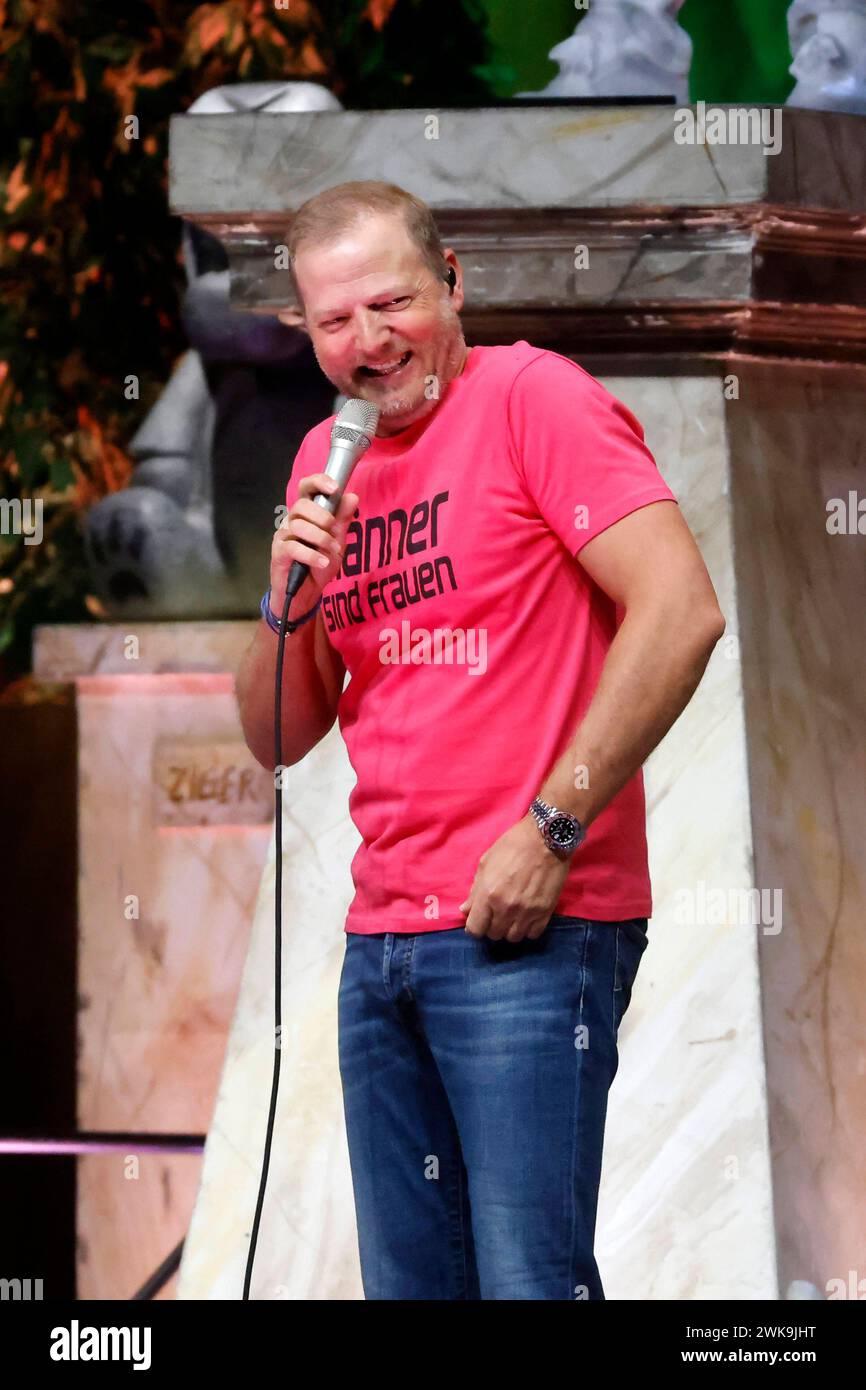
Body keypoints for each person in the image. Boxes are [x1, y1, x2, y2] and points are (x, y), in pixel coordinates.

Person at [235, 179, 726, 1300]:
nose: (368, 342)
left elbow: (679, 611)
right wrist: (286, 594)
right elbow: (278, 733)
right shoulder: (325, 456)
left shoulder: (529, 399)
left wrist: (550, 830)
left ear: (451, 282)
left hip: (528, 929)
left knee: (526, 1286)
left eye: (391, 303)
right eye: (333, 322)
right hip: (384, 942)